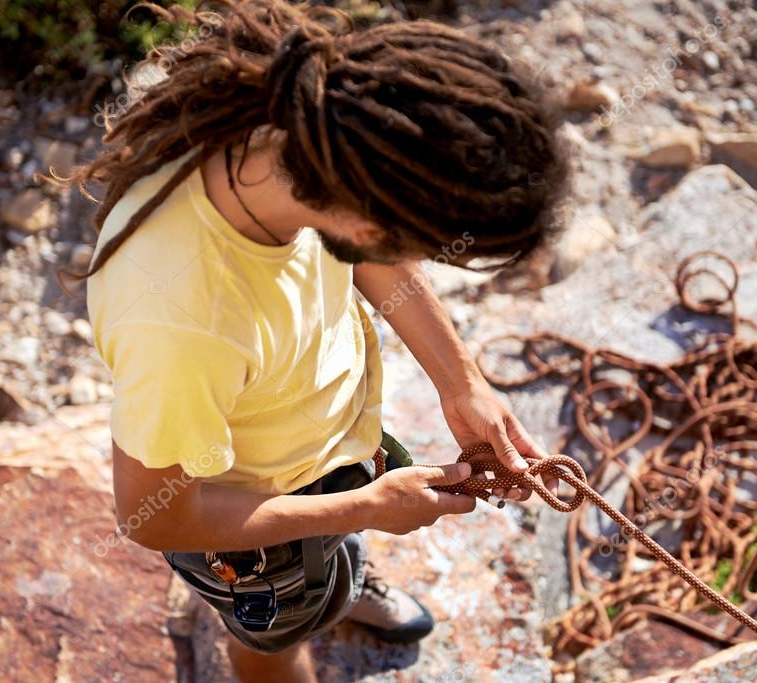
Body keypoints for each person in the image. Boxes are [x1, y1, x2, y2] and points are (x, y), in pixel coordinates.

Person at [64, 0, 569, 680]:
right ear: (366, 221)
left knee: (334, 554)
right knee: (275, 635)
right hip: (252, 534)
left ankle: (338, 576)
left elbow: (371, 253)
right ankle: (296, 612)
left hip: (330, 437)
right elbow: (156, 518)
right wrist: (365, 507)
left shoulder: (306, 123)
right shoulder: (183, 321)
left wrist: (462, 383)